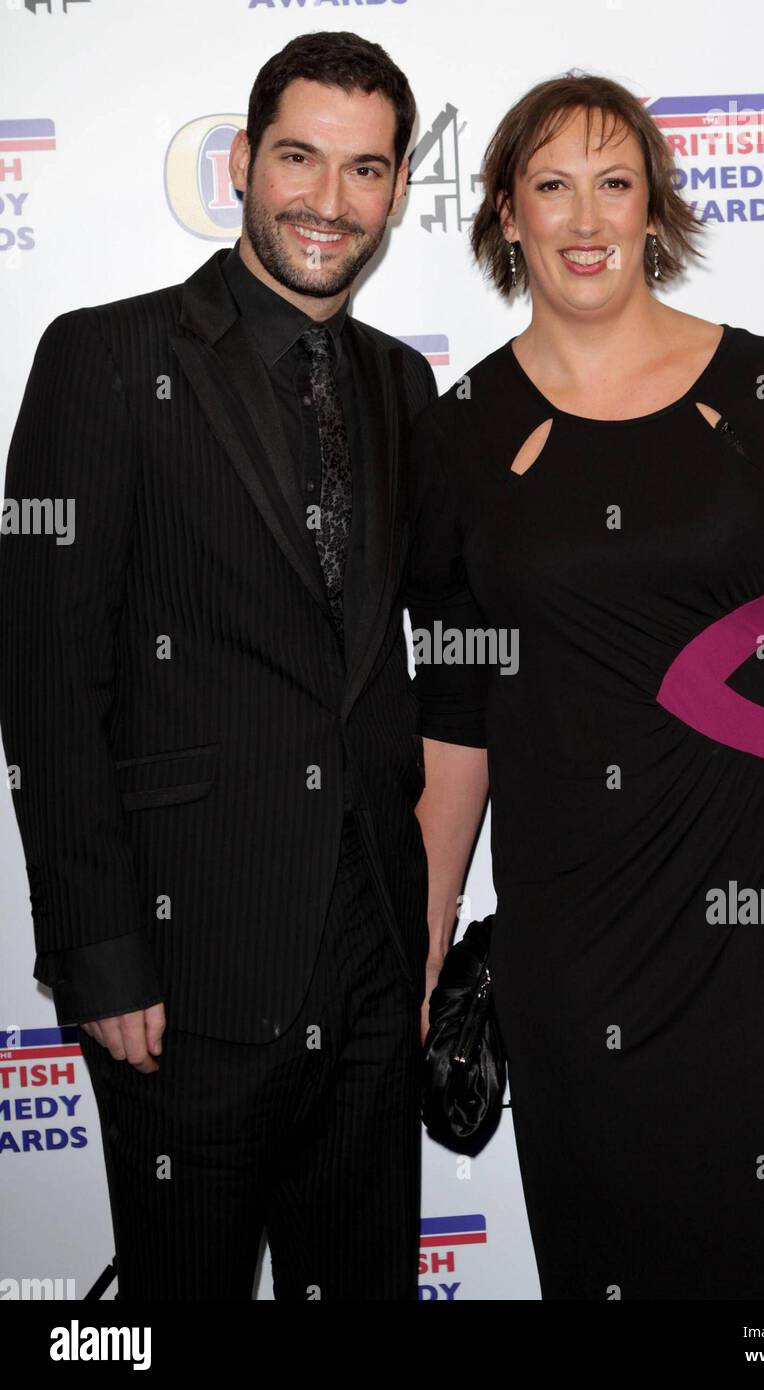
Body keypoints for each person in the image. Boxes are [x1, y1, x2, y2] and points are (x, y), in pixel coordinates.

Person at [407, 72, 764, 1300]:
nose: (583, 219)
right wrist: (419, 955)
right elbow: (454, 723)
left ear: (655, 211)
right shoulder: (460, 432)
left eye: (613, 182)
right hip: (578, 947)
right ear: (504, 216)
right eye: (550, 185)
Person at [0, 31, 436, 1300]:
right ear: (245, 162)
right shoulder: (104, 357)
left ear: (399, 190)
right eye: (300, 158)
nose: (329, 200)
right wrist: (98, 947)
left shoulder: (405, 387)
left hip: (367, 965)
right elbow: (46, 677)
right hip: (184, 973)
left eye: (365, 170)